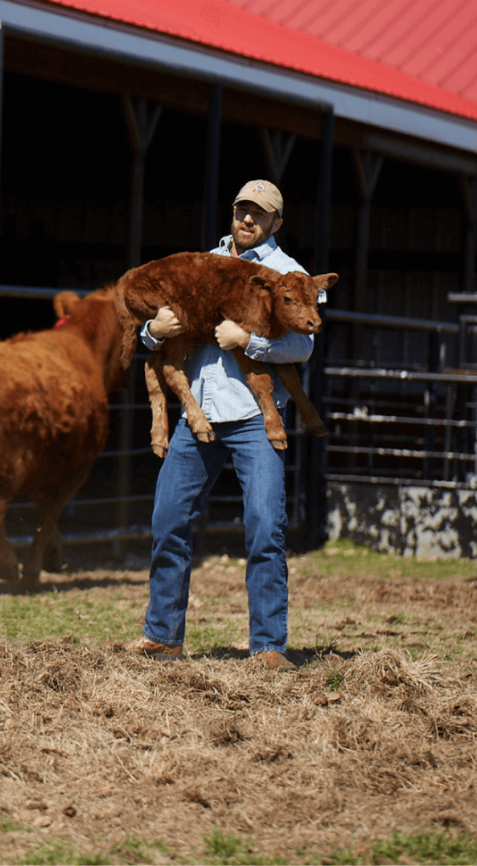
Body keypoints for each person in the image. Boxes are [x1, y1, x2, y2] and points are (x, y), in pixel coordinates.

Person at [117, 179, 323, 671]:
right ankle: (162, 635)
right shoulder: (204, 262)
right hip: (201, 413)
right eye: (241, 210)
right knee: (168, 521)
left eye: (258, 213)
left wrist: (246, 339)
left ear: (276, 221)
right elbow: (157, 328)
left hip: (253, 419)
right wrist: (151, 332)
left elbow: (302, 347)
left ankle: (268, 645)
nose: (247, 220)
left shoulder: (290, 274)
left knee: (265, 527)